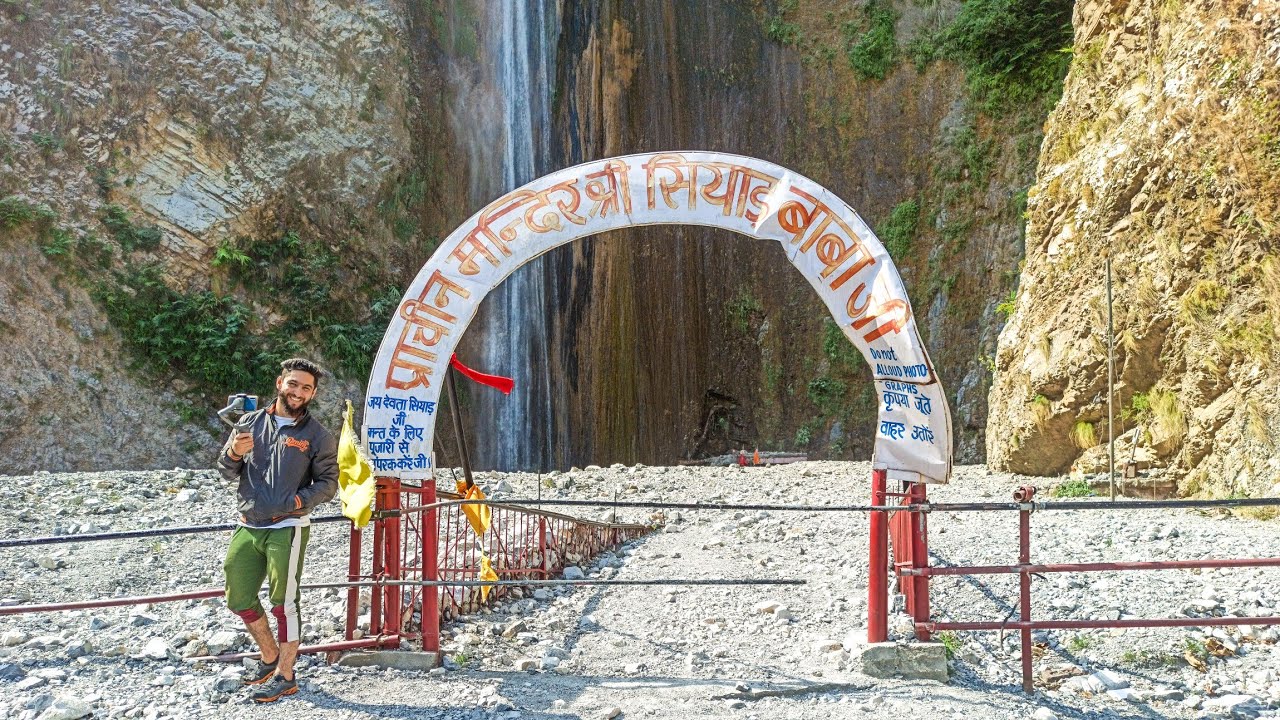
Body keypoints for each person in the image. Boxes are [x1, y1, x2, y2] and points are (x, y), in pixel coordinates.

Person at [217, 358, 338, 703]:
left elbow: (329, 483)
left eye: (306, 388)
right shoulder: (249, 422)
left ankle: (286, 675)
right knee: (238, 597)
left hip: (288, 526)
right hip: (248, 523)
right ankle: (269, 657)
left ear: (313, 394)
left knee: (284, 604)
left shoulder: (318, 436)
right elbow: (226, 470)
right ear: (280, 383)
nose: (298, 392)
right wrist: (233, 452)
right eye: (293, 384)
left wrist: (297, 502)